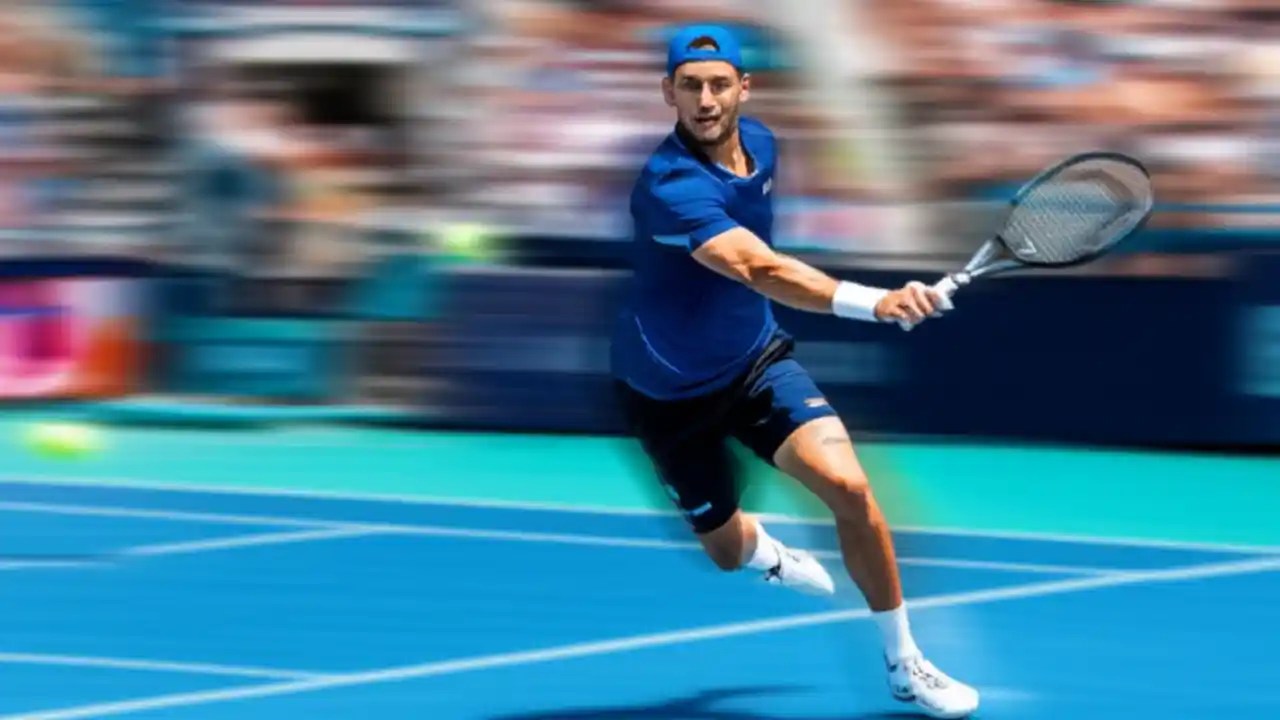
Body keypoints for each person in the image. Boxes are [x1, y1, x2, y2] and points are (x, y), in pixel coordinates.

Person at [610, 24, 979, 719]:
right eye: (690, 86)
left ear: (744, 88)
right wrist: (878, 302)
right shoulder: (669, 185)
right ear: (668, 93)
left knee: (849, 487)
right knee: (725, 551)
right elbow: (759, 267)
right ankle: (769, 558)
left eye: (719, 84)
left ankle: (905, 664)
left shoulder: (766, 145)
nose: (705, 99)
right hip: (667, 393)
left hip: (754, 362)